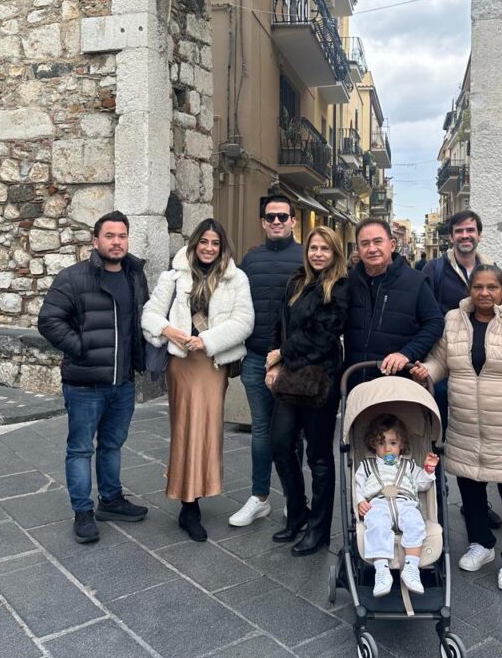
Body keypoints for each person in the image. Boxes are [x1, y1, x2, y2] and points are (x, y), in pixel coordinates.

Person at [411, 265, 502, 592]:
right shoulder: (454, 321)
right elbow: (440, 360)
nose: (485, 293)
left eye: (492, 287)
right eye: (478, 287)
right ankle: (482, 543)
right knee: (471, 487)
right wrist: (426, 373)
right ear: (470, 290)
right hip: (466, 422)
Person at [37, 211, 150, 545]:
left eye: (122, 236)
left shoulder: (135, 275)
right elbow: (49, 321)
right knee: (80, 450)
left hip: (123, 382)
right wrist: (81, 347)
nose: (117, 242)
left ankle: (111, 501)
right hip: (85, 383)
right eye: (110, 236)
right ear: (96, 240)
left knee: (113, 445)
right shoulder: (73, 277)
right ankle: (83, 512)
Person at [141, 219, 253, 542]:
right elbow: (149, 315)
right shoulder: (174, 276)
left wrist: (207, 341)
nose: (208, 248)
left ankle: (197, 493)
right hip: (181, 365)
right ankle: (188, 505)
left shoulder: (236, 279)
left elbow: (244, 322)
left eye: (215, 243)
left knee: (207, 431)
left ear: (222, 247)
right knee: (183, 430)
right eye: (203, 242)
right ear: (194, 244)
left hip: (212, 365)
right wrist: (170, 331)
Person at [265, 227, 349, 556]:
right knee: (281, 445)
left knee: (318, 456)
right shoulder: (297, 280)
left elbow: (323, 333)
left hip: (320, 380)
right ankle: (297, 512)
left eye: (324, 249)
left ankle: (319, 528)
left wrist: (283, 353)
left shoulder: (340, 286)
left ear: (334, 253)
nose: (317, 254)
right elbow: (280, 321)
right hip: (289, 377)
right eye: (313, 247)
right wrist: (275, 360)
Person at [422, 210, 502, 528]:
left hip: (481, 373)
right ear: (451, 236)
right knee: (435, 440)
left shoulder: (490, 271)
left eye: (470, 230)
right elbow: (425, 315)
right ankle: (435, 502)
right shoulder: (433, 269)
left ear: (479, 234)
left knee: (476, 443)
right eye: (459, 231)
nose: (465, 236)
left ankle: (476, 507)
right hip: (444, 370)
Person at [230, 195, 303, 526]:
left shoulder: (307, 258)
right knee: (260, 431)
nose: (276, 221)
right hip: (257, 357)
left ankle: (293, 498)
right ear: (263, 222)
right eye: (270, 217)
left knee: (292, 433)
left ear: (293, 221)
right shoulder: (250, 260)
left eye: (282, 216)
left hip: (296, 363)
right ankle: (259, 497)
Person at [344, 218, 443, 389]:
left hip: (398, 383)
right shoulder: (348, 282)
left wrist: (407, 353)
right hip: (355, 381)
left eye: (378, 241)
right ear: (358, 250)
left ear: (392, 244)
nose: (372, 249)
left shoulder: (416, 281)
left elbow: (434, 323)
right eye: (365, 243)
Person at [355, 414, 438, 596]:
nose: (387, 449)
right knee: (376, 524)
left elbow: (422, 483)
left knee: (416, 523)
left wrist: (428, 469)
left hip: (405, 502)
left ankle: (411, 568)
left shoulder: (408, 465)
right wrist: (360, 500)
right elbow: (357, 486)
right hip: (378, 502)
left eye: (393, 443)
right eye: (381, 443)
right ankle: (382, 570)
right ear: (373, 444)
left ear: (401, 445)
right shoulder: (367, 466)